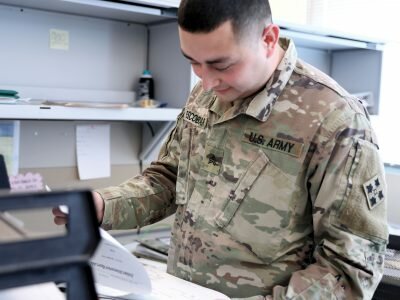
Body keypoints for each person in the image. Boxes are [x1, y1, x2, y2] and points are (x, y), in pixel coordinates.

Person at [54, 0, 388, 299]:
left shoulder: (334, 119)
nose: (206, 80)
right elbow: (168, 179)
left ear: (269, 39)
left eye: (221, 64)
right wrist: (101, 205)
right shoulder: (205, 94)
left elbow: (349, 268)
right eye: (193, 62)